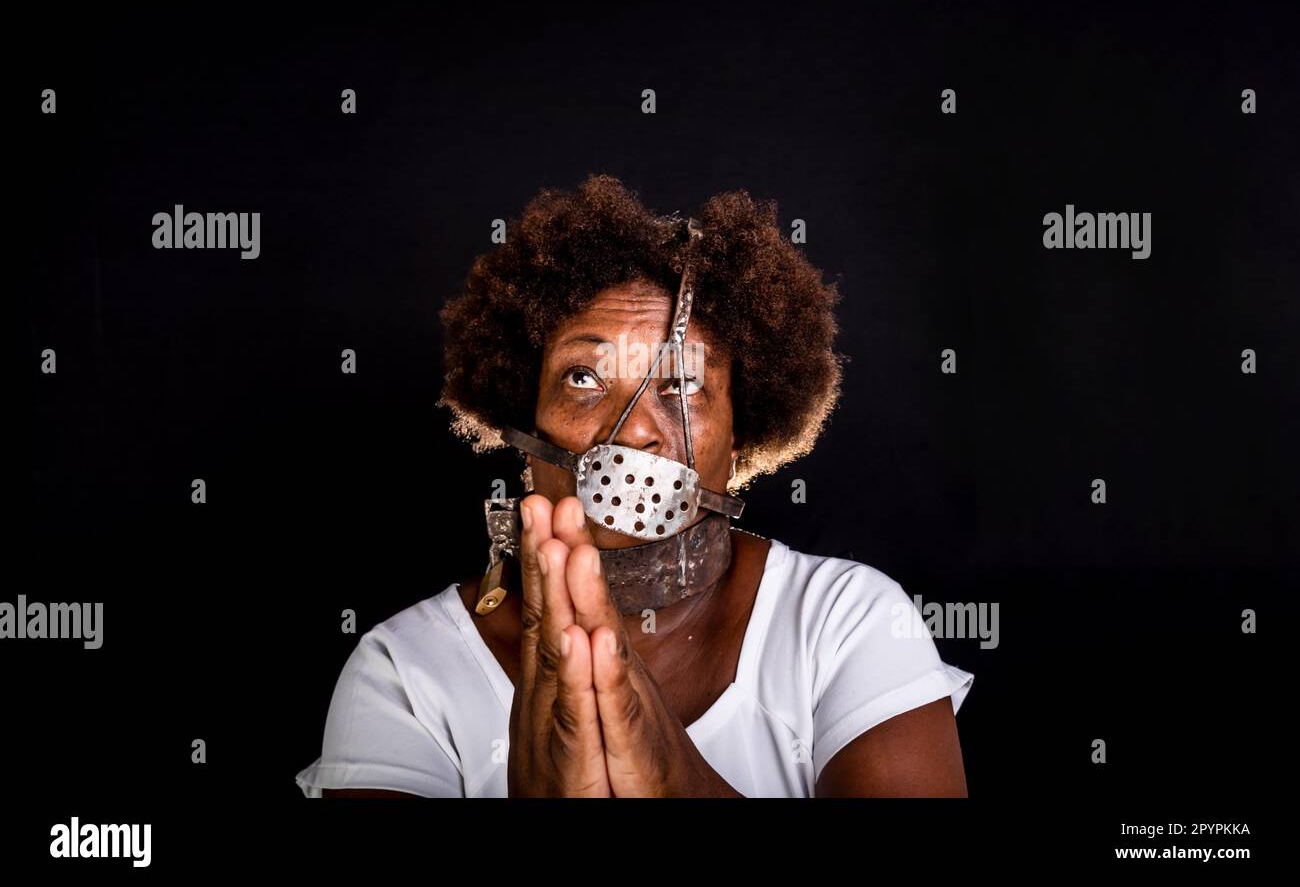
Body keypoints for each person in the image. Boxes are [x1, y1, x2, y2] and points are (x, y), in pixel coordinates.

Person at [295, 174, 973, 797]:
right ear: (522, 421)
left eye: (682, 385)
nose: (634, 434)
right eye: (584, 378)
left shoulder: (847, 622)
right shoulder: (404, 672)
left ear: (739, 438)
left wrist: (671, 773)